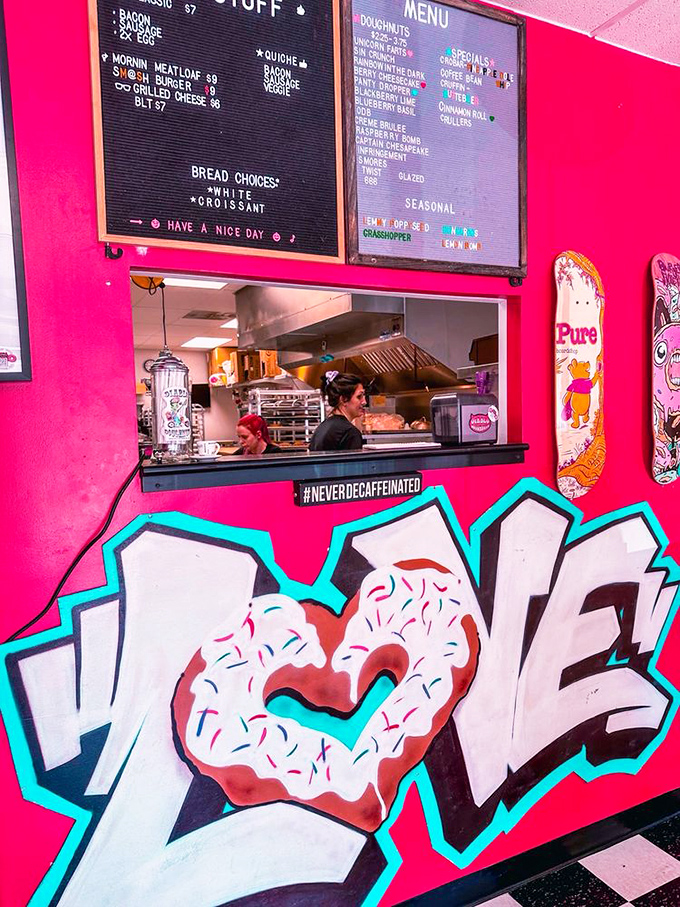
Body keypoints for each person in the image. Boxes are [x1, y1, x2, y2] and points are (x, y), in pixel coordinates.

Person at [309, 371, 366, 451]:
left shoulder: (323, 426)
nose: (364, 402)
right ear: (343, 399)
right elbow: (353, 463)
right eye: (359, 396)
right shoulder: (350, 432)